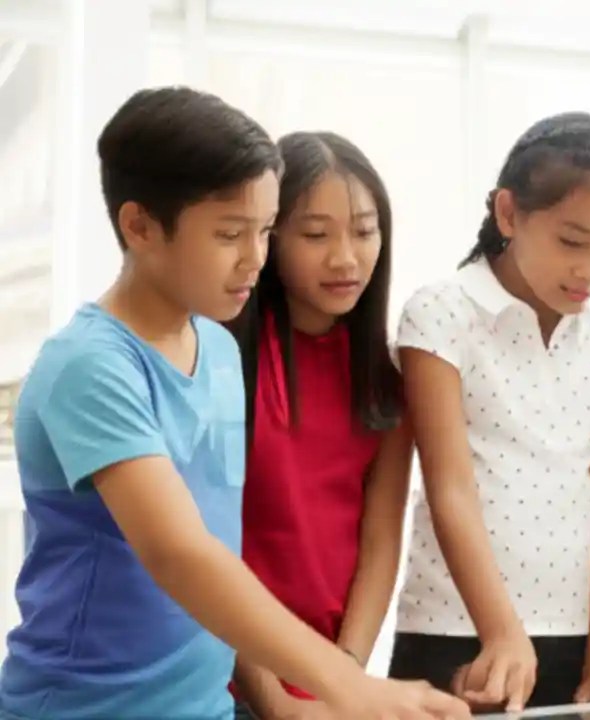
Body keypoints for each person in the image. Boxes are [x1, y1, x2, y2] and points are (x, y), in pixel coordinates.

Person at [0, 87, 468, 720]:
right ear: (138, 226)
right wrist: (349, 686)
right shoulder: (91, 366)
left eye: (265, 231)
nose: (255, 259)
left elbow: (223, 547)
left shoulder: (217, 350)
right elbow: (182, 554)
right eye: (229, 233)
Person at [388, 112, 590, 711]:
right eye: (572, 241)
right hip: (456, 630)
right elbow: (450, 489)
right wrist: (502, 633)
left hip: (576, 636)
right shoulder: (440, 314)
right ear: (508, 214)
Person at [226, 131, 413, 719]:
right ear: (269, 237)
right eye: (315, 234)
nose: (345, 257)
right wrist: (271, 697)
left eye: (363, 230)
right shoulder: (223, 359)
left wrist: (345, 674)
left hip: (329, 684)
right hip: (227, 680)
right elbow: (204, 546)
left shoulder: (386, 377)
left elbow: (382, 539)